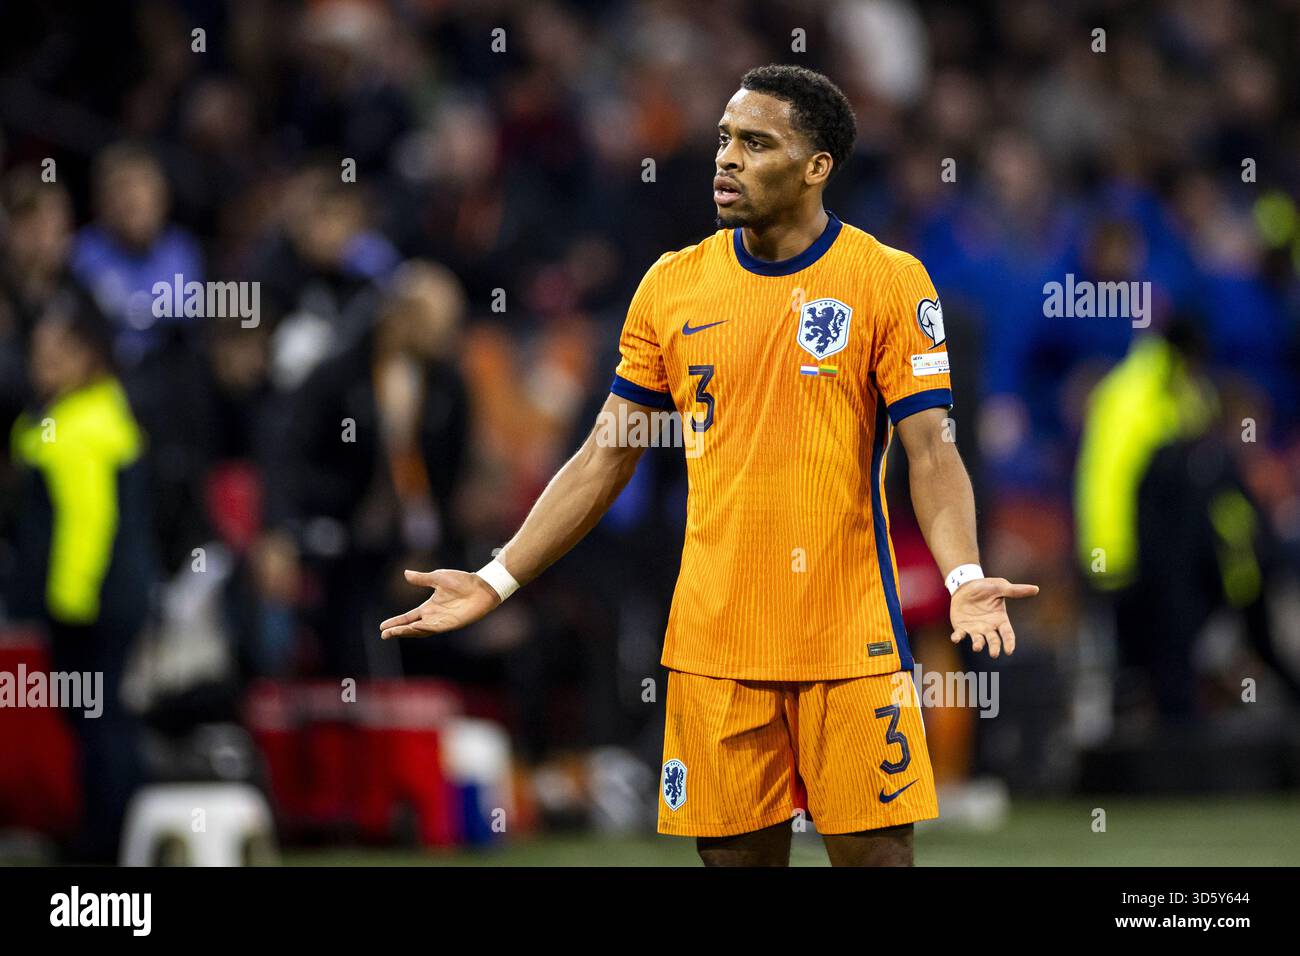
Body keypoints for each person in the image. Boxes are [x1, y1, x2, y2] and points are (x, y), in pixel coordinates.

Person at [381, 64, 1037, 867]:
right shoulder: (672, 285)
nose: (725, 158)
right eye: (725, 139)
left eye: (755, 143)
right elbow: (606, 452)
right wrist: (496, 578)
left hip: (850, 641)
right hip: (714, 647)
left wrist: (965, 577)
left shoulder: (887, 282)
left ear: (815, 166)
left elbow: (931, 450)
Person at [8, 295, 154, 862]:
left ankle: (105, 843)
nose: (41, 362)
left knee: (98, 721)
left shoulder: (76, 429)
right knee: (103, 716)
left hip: (90, 605)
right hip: (114, 600)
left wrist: (67, 600)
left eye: (56, 352)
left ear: (87, 356)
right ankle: (113, 835)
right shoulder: (94, 413)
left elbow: (88, 522)